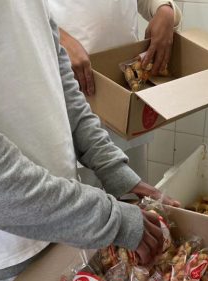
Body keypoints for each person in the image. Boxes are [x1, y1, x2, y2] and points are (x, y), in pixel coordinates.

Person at [0, 0, 179, 281]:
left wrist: (113, 169)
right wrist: (110, 220)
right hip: (5, 249)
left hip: (66, 222)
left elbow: (61, 84)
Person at [49, 0, 182, 182]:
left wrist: (164, 9)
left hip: (125, 92)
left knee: (135, 196)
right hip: (72, 90)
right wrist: (58, 36)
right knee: (85, 196)